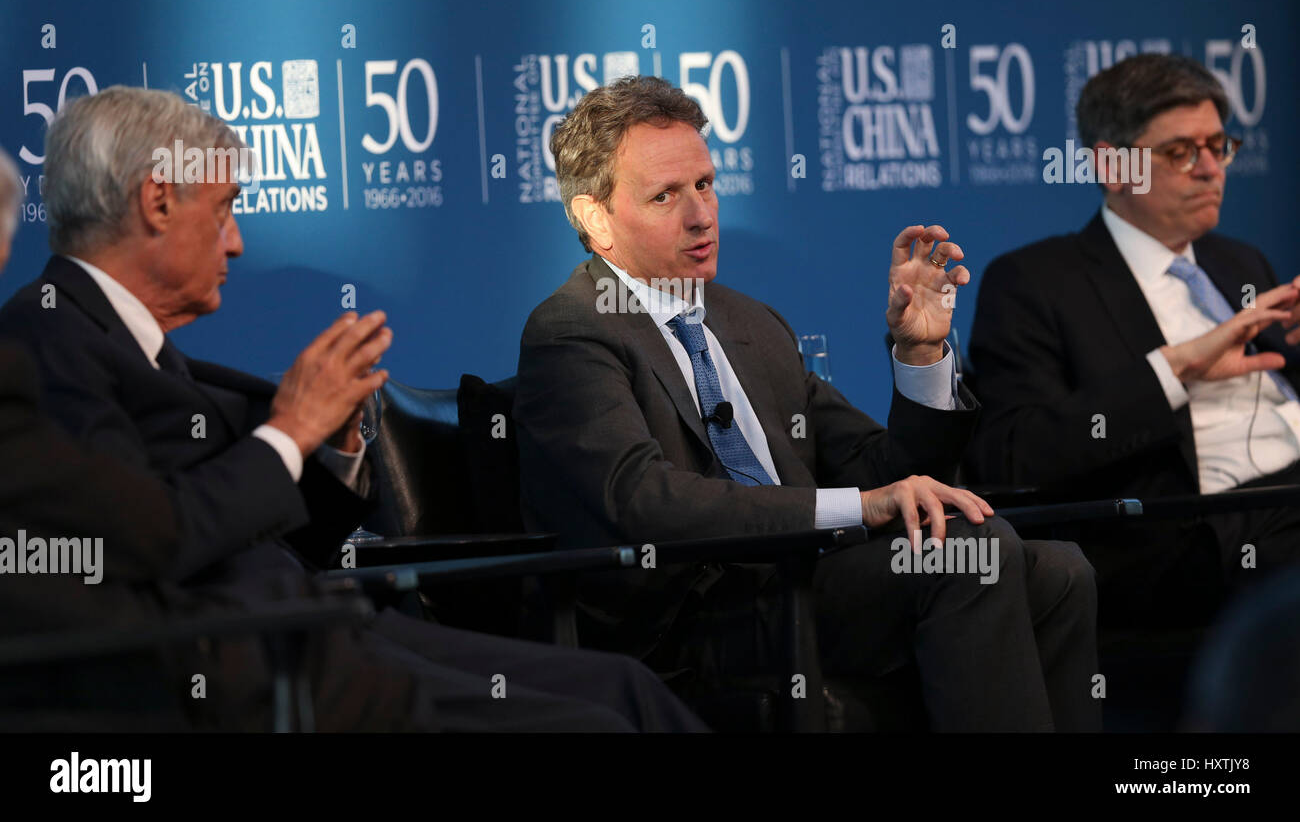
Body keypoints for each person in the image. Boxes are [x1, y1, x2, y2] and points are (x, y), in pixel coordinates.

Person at [0, 97, 704, 732]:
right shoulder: (50, 343)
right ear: (157, 201)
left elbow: (249, 533)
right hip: (249, 669)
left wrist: (331, 450)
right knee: (588, 726)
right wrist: (287, 432)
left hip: (322, 621)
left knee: (624, 688)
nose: (237, 240)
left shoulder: (137, 346)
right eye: (223, 209)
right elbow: (151, 544)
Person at [514, 75, 1099, 731]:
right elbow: (642, 501)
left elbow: (885, 466)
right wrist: (855, 509)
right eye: (665, 195)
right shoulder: (573, 329)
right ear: (597, 218)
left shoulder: (748, 321)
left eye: (705, 184)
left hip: (804, 587)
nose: (701, 214)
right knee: (976, 555)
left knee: (1058, 569)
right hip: (696, 621)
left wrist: (919, 356)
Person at [968, 53, 1300, 615]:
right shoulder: (1036, 282)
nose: (1210, 168)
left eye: (1219, 147)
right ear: (1114, 168)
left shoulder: (1241, 263)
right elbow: (1014, 457)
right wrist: (1176, 369)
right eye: (1180, 152)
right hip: (1192, 531)